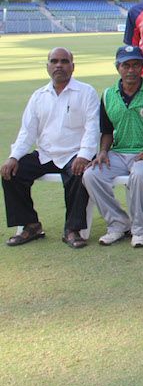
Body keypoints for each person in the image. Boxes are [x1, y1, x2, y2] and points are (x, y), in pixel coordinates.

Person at [2, 47, 99, 249]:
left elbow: (92, 129)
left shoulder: (86, 92)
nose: (59, 65)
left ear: (73, 67)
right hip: (46, 154)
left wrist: (84, 155)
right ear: (47, 66)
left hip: (75, 153)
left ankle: (72, 230)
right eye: (54, 61)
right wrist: (13, 157)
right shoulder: (39, 96)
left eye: (64, 61)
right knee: (11, 173)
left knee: (80, 173)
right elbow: (26, 132)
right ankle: (31, 225)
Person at [82, 46, 143, 248]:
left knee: (139, 175)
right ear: (118, 67)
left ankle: (139, 230)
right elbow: (107, 130)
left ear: (142, 66)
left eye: (136, 65)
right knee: (91, 175)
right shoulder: (109, 94)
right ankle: (118, 224)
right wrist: (102, 152)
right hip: (118, 152)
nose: (131, 70)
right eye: (126, 65)